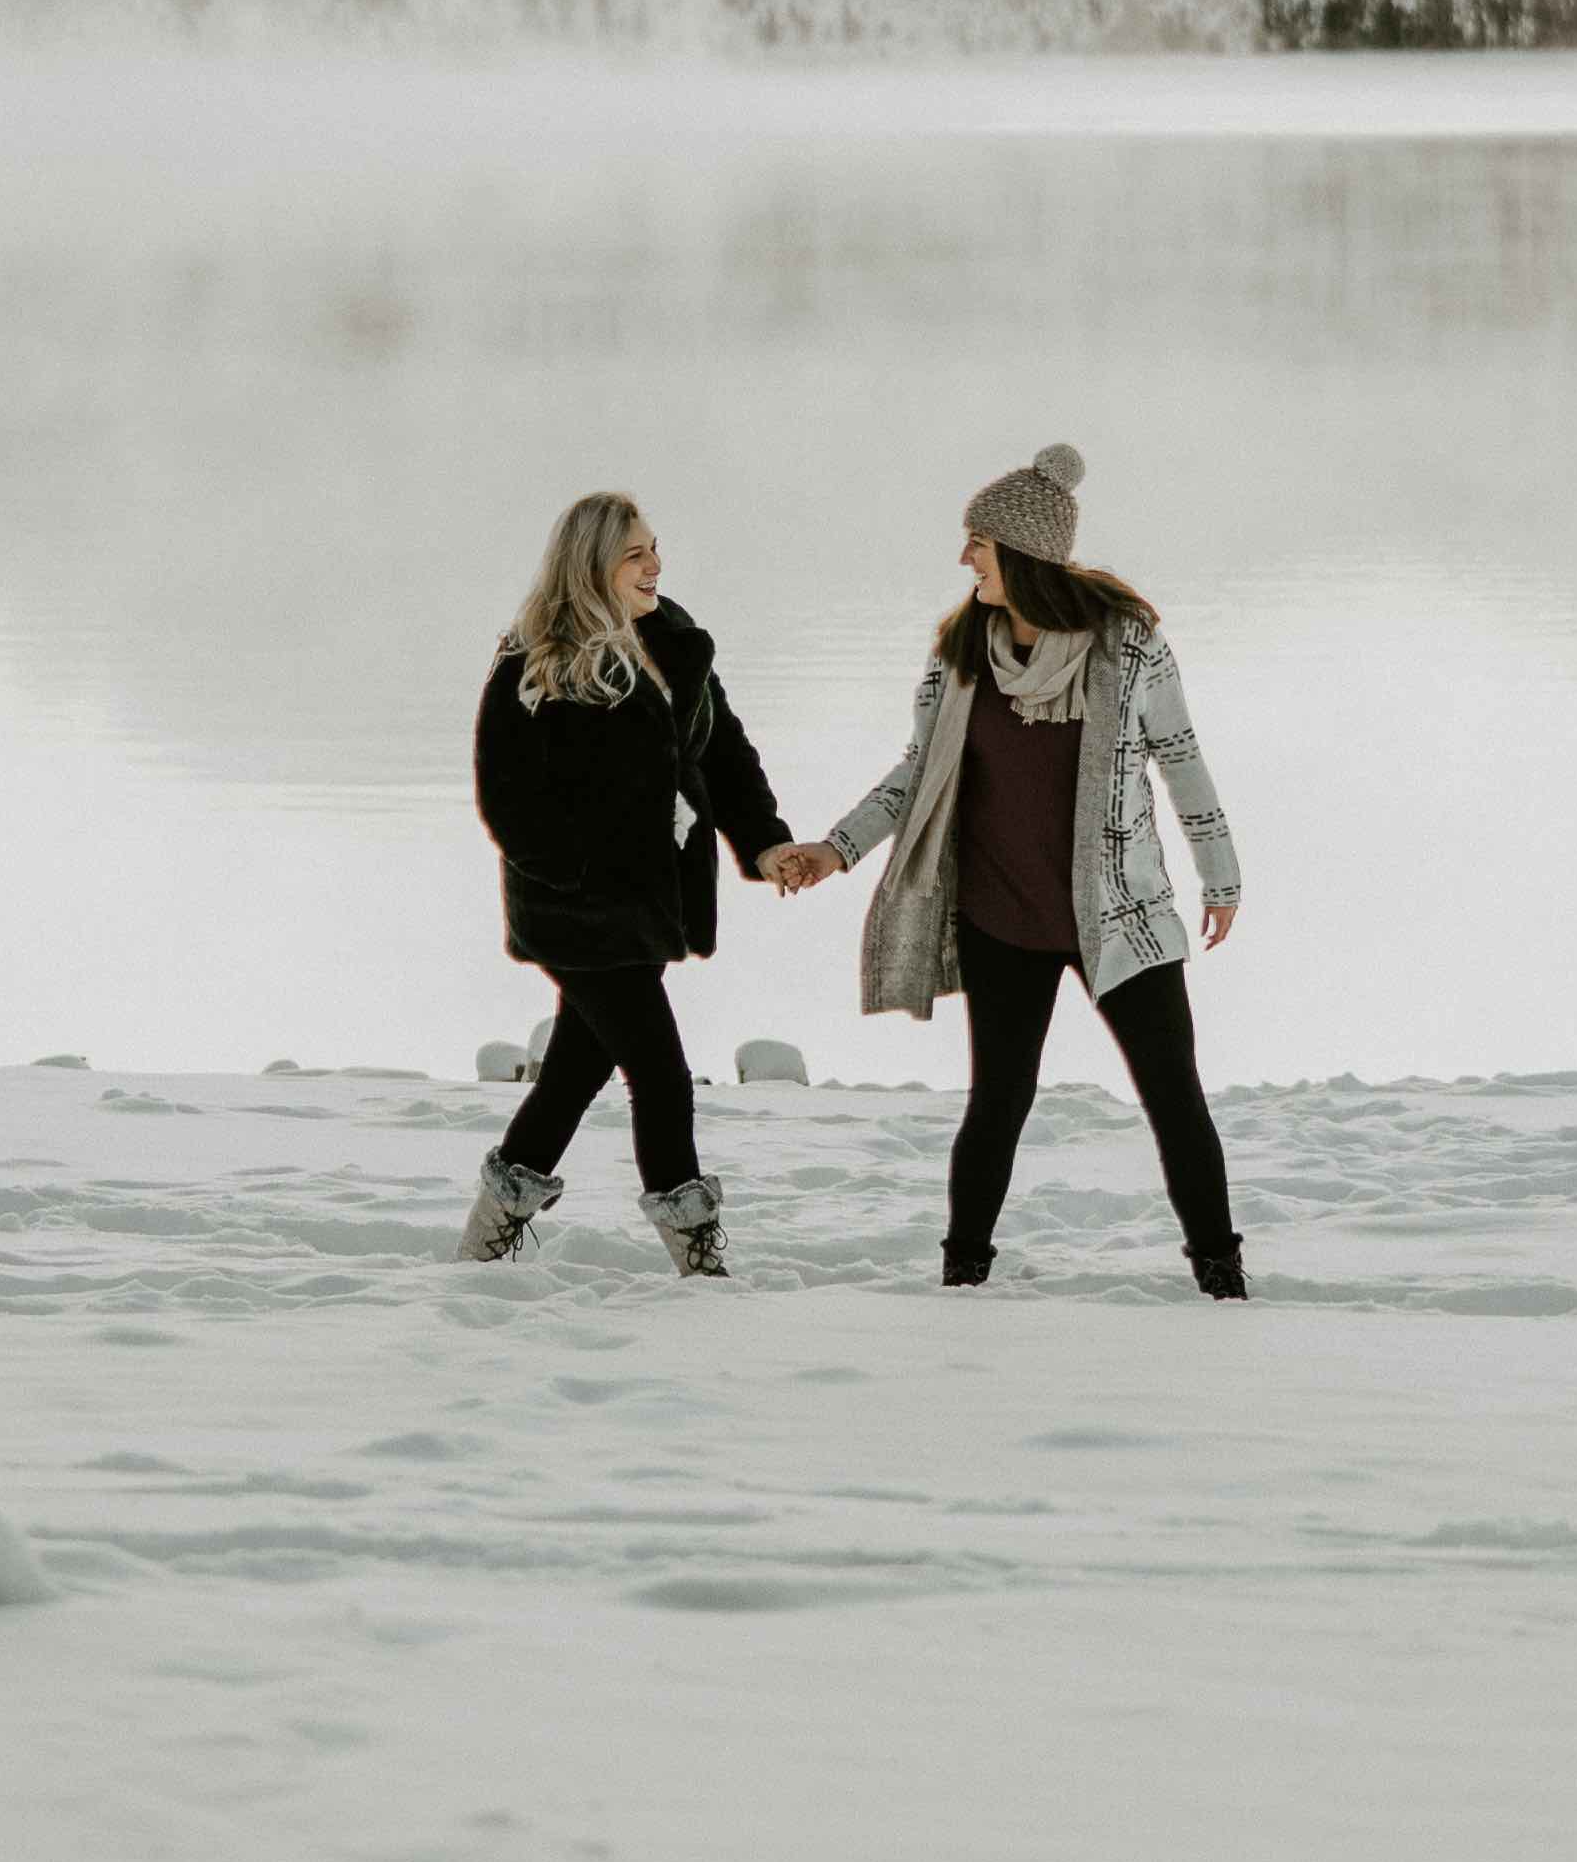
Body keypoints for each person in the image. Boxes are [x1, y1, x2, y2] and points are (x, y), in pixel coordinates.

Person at [767, 443, 1248, 1297]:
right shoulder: (962, 650)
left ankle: (1221, 1275)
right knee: (998, 1102)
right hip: (1002, 919)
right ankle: (963, 1275)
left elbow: (1181, 757)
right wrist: (835, 849)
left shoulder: (1127, 645)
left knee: (1174, 1098)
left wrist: (1221, 877)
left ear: (1023, 553)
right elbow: (916, 773)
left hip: (1123, 916)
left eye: (979, 545)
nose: (964, 560)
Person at [461, 489, 791, 1277]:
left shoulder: (673, 640)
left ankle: (483, 1246)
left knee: (574, 1073)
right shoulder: (536, 660)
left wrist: (766, 844)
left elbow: (722, 752)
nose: (655, 565)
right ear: (590, 565)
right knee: (662, 1076)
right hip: (573, 912)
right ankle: (698, 1260)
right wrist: (575, 875)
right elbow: (504, 795)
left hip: (646, 902)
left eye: (655, 548)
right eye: (634, 553)